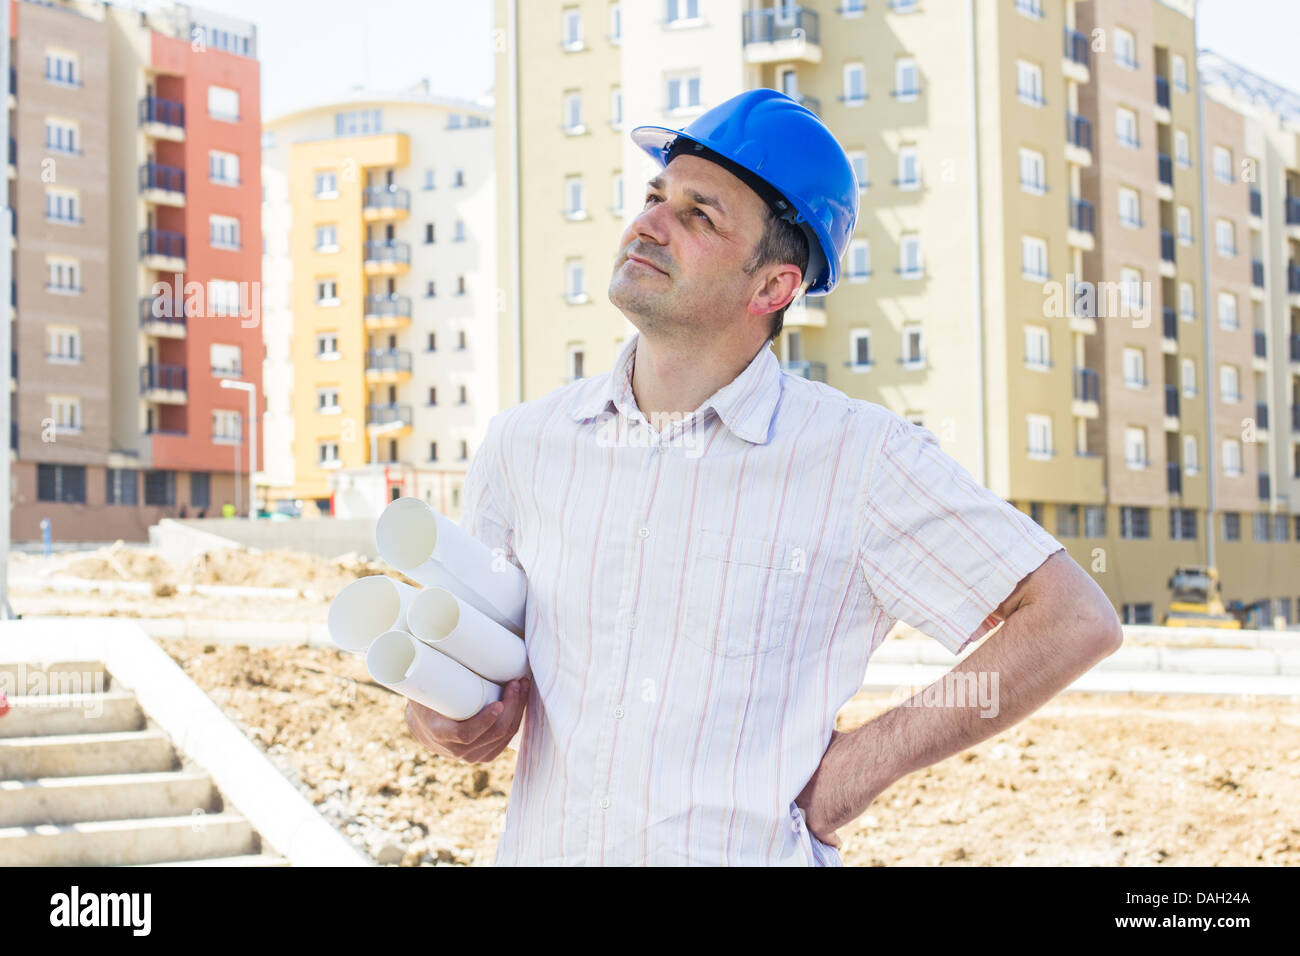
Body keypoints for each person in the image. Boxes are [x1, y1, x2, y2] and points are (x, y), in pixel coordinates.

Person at [404, 89, 1122, 866]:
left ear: (774, 288)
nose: (648, 224)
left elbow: (1073, 618)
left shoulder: (859, 459)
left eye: (698, 215)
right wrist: (441, 715)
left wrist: (857, 768)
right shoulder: (524, 444)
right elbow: (460, 667)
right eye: (655, 197)